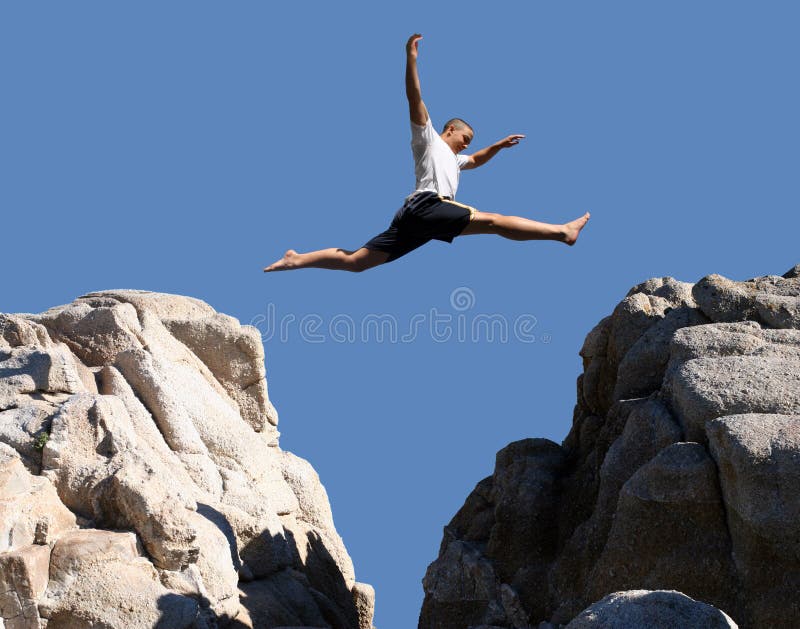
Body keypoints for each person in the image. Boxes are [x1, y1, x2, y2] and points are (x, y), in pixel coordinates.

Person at [264, 34, 590, 273]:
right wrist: (411, 58)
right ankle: (561, 232)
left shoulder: (457, 160)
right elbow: (414, 96)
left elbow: (475, 160)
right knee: (492, 221)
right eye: (466, 137)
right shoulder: (429, 139)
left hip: (417, 221)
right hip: (427, 205)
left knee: (357, 262)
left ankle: (297, 259)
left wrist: (498, 146)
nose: (468, 144)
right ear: (450, 130)